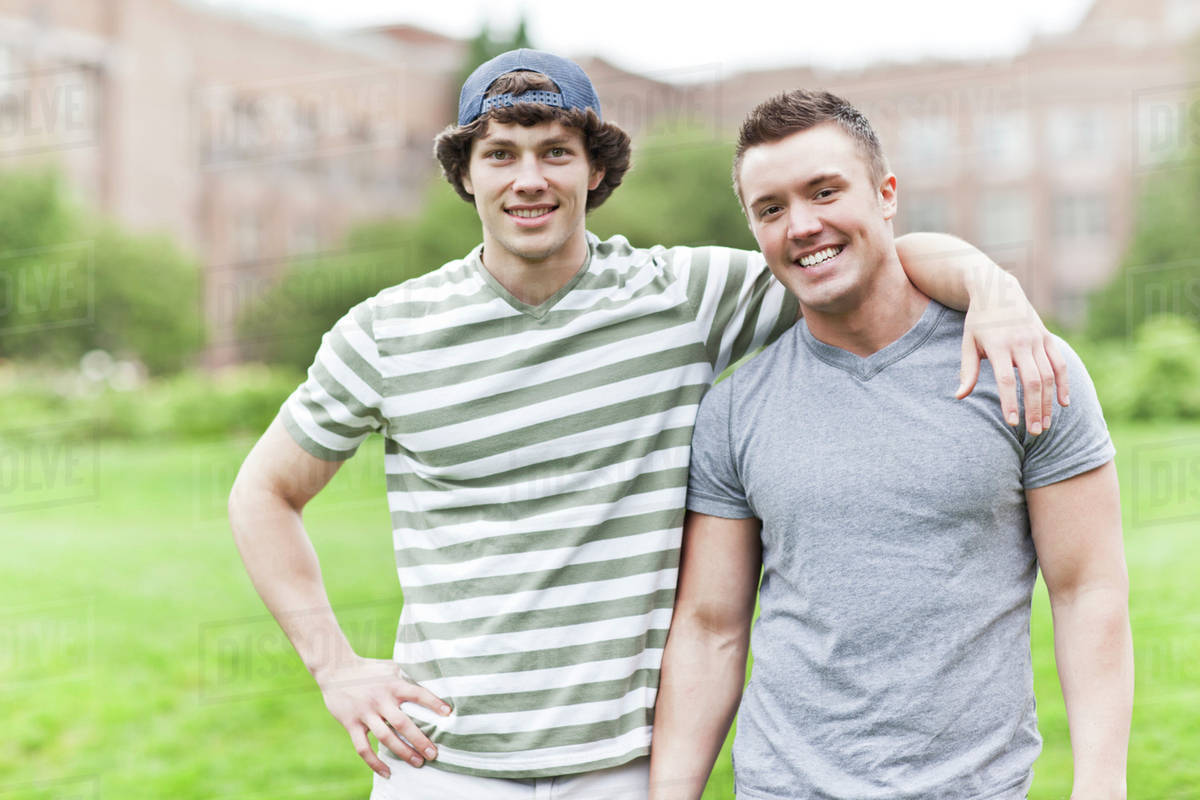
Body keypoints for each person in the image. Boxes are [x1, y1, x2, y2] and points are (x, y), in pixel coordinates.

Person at [228, 51, 1068, 799]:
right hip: (445, 764)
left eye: (557, 151)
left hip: (624, 765)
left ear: (596, 170)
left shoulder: (682, 298)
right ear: (467, 175)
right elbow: (265, 492)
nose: (530, 179)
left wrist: (993, 285)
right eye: (501, 155)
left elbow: (847, 252)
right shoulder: (387, 333)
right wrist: (335, 667)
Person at [648, 89, 1133, 800]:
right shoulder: (733, 407)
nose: (803, 226)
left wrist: (1101, 785)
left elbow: (1087, 590)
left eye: (824, 192)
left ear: (886, 195)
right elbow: (710, 628)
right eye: (772, 208)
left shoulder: (1025, 365)